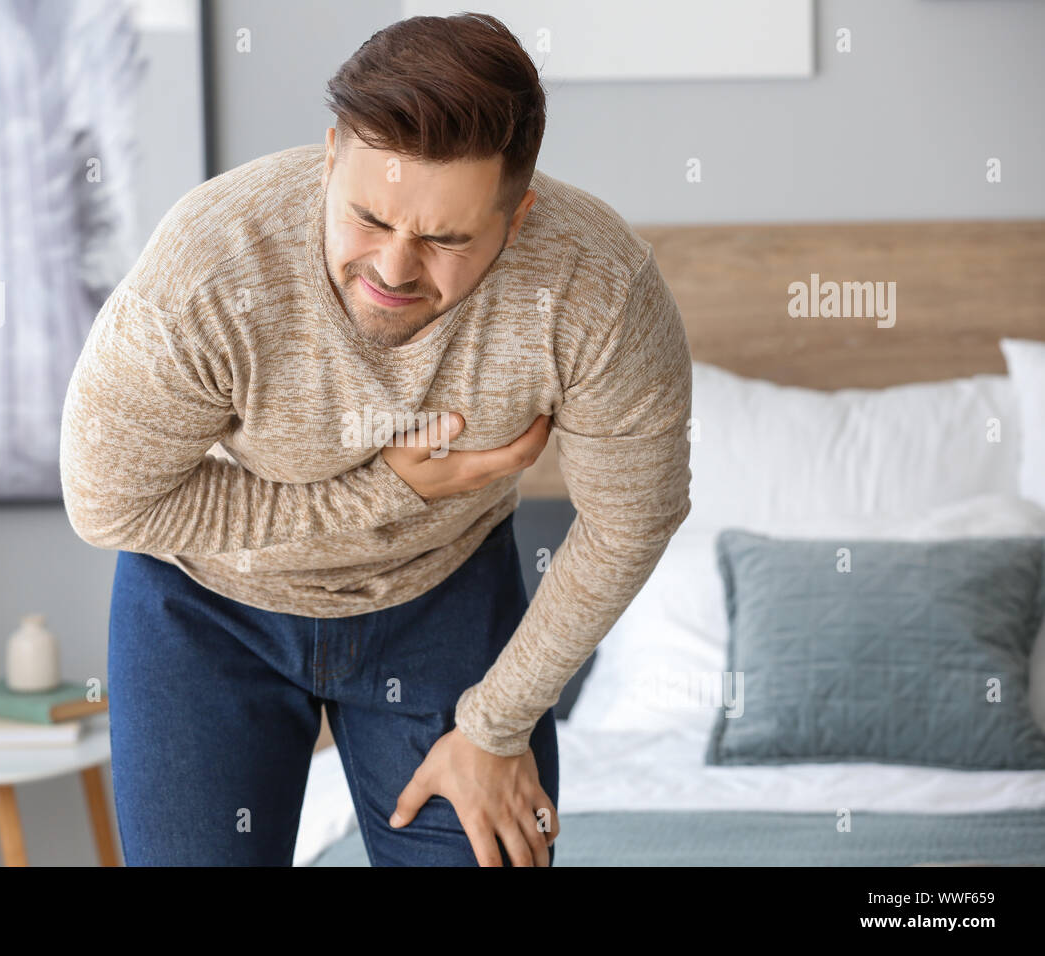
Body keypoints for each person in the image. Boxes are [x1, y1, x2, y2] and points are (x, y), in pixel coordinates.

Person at [59, 12, 692, 866]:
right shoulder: (209, 268)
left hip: (445, 603)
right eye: (367, 218)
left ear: (519, 215)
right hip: (208, 612)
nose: (394, 269)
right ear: (330, 158)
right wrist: (385, 492)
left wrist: (497, 725)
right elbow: (106, 504)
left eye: (444, 238)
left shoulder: (598, 291)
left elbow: (633, 519)